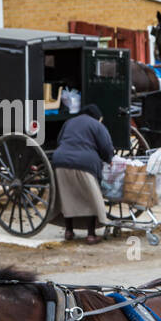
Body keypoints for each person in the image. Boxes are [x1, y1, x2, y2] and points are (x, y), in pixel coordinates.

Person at [51, 103, 114, 244]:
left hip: (60, 160)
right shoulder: (97, 125)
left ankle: (69, 231)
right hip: (85, 163)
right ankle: (90, 235)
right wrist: (109, 159)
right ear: (98, 117)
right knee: (90, 197)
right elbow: (106, 147)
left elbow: (60, 140)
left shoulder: (69, 122)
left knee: (67, 196)